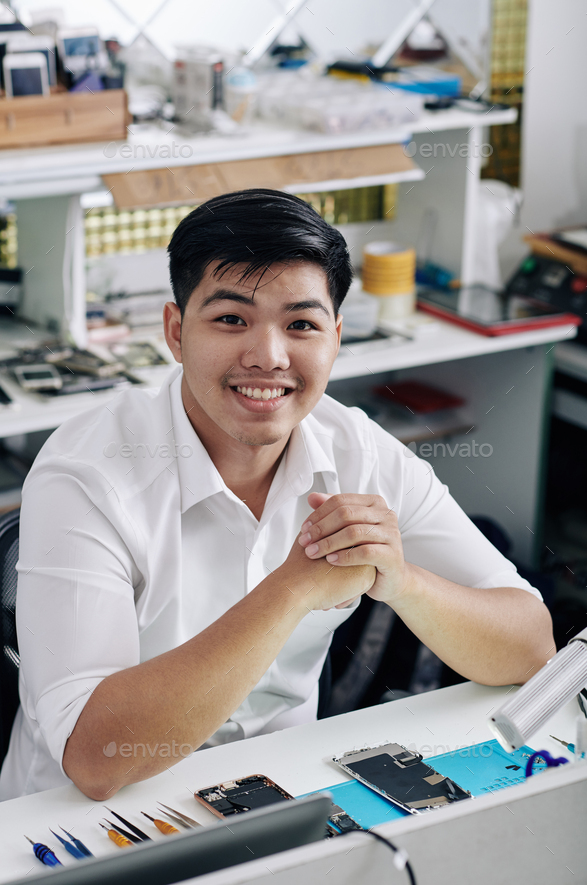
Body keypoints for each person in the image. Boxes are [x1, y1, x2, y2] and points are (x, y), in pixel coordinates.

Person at [0, 189, 554, 801]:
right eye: (231, 319)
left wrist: (400, 582)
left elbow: (531, 648)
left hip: (284, 797)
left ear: (335, 338)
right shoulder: (85, 477)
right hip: (80, 820)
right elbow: (96, 760)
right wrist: (291, 590)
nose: (268, 357)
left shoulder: (360, 452)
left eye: (301, 325)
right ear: (175, 332)